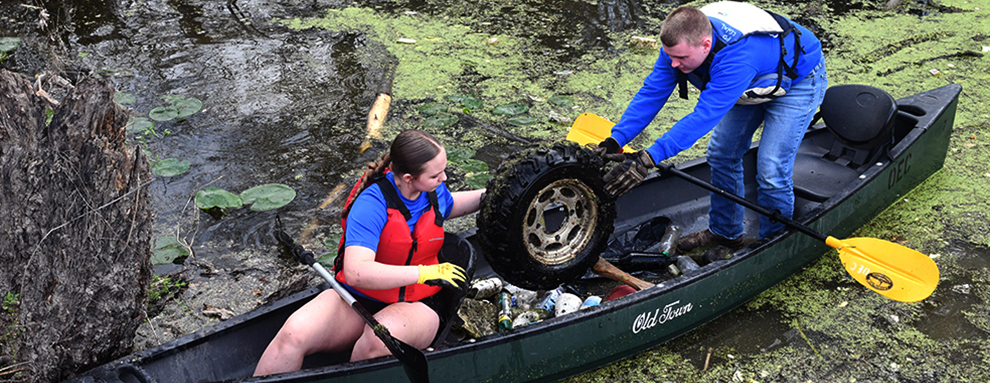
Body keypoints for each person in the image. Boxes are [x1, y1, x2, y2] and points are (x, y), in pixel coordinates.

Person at [595, 1, 828, 252]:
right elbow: (652, 93)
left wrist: (649, 158)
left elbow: (704, 116)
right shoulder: (677, 47)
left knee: (771, 167)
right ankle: (726, 233)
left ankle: (774, 245)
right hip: (751, 83)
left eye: (681, 58)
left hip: (798, 80)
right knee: (721, 153)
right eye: (670, 56)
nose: (673, 64)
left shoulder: (737, 59)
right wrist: (615, 140)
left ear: (706, 45)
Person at [254, 129, 485, 376]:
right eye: (436, 174)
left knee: (374, 343)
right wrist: (424, 272)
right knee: (293, 333)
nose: (444, 177)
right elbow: (356, 272)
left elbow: (451, 204)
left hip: (418, 303)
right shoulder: (372, 204)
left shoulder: (433, 191)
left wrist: (489, 195)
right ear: (409, 178)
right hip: (360, 297)